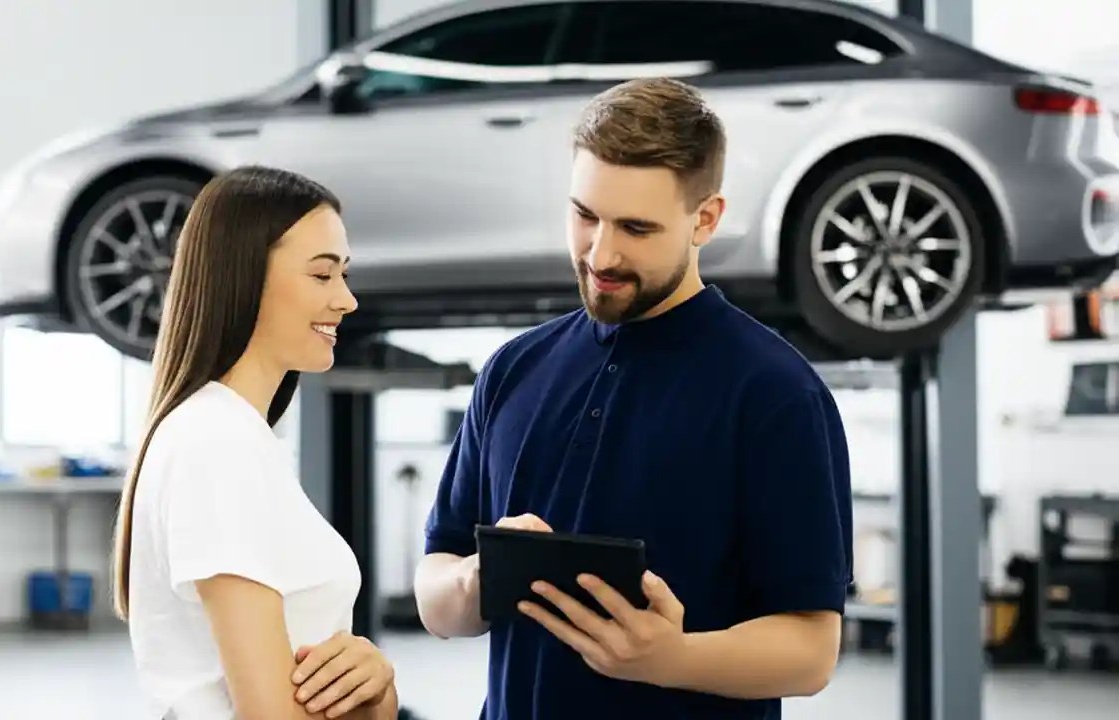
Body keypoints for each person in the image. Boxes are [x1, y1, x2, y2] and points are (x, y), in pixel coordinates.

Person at [413, 77, 853, 719]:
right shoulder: (513, 369)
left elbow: (812, 650)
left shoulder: (775, 395)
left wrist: (669, 660)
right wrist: (473, 581)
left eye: (636, 228)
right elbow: (435, 591)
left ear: (705, 219)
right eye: (584, 215)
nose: (602, 252)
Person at [112, 166, 399, 720]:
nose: (347, 300)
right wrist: (378, 697)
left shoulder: (236, 434)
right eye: (322, 275)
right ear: (243, 278)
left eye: (344, 275)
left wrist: (375, 684)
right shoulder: (214, 442)